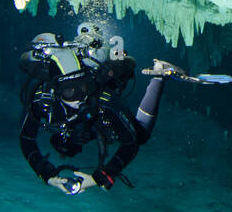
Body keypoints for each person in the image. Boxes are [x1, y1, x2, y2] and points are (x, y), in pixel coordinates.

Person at [17, 27, 185, 195]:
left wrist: (102, 176)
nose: (80, 98)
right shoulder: (43, 99)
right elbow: (26, 138)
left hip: (101, 99)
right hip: (79, 124)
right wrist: (46, 174)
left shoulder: (101, 96)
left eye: (83, 87)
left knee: (141, 135)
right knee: (66, 146)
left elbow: (131, 143)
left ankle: (159, 76)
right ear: (56, 91)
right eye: (70, 92)